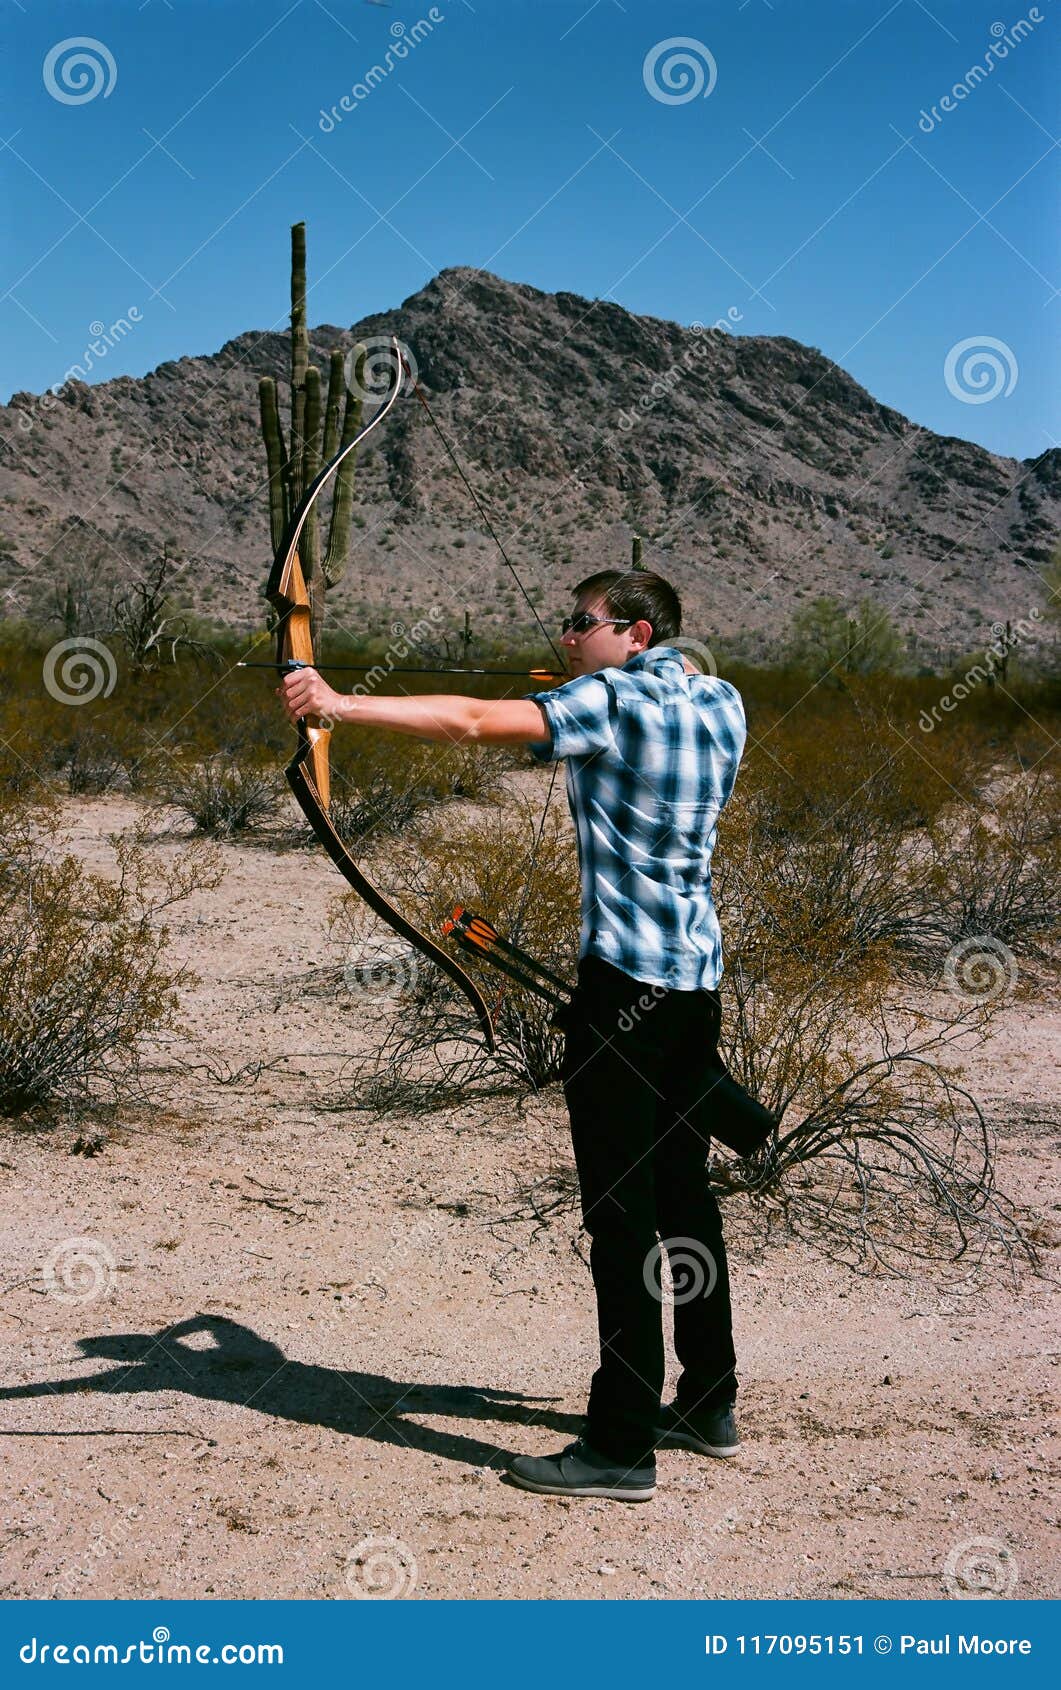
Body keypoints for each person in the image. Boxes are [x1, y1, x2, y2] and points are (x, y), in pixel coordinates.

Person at [278, 569, 747, 1504]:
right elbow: (608, 714)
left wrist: (336, 704)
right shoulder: (721, 700)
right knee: (683, 1198)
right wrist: (573, 684)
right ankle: (707, 1399)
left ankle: (619, 1448)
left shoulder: (604, 701)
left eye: (585, 624)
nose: (570, 636)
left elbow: (469, 723)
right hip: (693, 986)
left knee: (622, 1218)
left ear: (638, 632)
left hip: (622, 992)